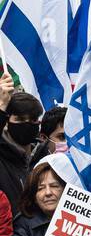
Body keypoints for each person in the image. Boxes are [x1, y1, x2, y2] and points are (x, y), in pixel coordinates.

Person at [0, 80, 41, 211]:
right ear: (6, 122)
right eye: (20, 119)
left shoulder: (45, 159)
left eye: (33, 120)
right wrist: (1, 104)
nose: (27, 124)